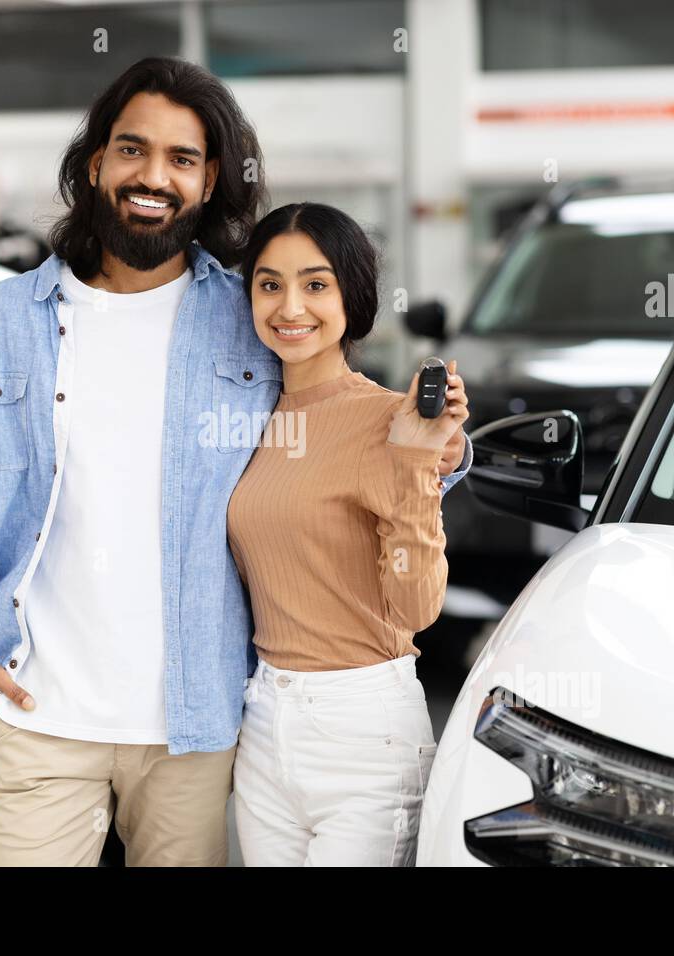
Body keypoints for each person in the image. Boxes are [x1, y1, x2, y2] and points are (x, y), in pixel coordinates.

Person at [0, 57, 471, 868]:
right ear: (95, 164)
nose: (152, 176)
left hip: (193, 727)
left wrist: (442, 445)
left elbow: (342, 413)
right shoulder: (1, 322)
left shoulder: (246, 314)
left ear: (209, 184)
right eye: (133, 150)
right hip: (37, 715)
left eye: (183, 159)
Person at [228, 202, 470, 866]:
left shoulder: (388, 420)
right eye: (269, 283)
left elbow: (419, 609)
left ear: (352, 297)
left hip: (365, 731)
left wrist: (422, 457)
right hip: (265, 721)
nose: (289, 305)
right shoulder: (246, 418)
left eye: (316, 284)